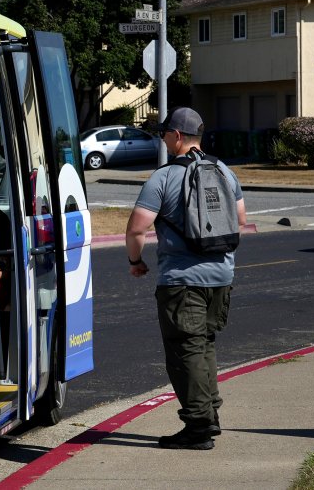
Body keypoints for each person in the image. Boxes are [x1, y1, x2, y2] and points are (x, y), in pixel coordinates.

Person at [125, 107, 247, 451]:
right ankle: (210, 414)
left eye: (165, 134)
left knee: (184, 352)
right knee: (204, 345)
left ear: (177, 136)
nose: (164, 139)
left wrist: (135, 260)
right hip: (221, 276)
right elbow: (240, 220)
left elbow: (136, 229)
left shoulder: (163, 178)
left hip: (181, 280)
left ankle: (198, 426)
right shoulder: (224, 171)